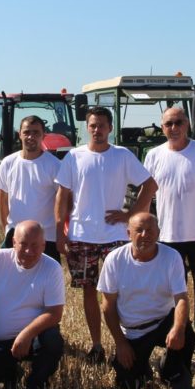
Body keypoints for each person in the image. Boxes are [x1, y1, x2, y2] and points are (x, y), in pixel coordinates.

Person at [55, 106, 157, 363]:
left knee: (121, 290)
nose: (97, 130)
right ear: (86, 128)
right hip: (81, 235)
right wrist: (60, 231)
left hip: (116, 236)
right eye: (92, 126)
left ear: (110, 128)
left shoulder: (122, 156)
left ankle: (125, 342)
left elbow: (150, 184)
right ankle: (97, 345)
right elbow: (62, 197)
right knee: (89, 290)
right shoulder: (73, 157)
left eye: (101, 125)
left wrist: (130, 215)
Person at [98, 213, 195, 389]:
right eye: (139, 230)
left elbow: (181, 298)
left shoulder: (171, 257)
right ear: (128, 233)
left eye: (150, 230)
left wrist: (178, 328)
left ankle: (173, 371)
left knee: (187, 334)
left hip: (163, 321)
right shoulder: (115, 260)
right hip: (134, 331)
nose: (145, 235)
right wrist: (120, 343)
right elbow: (108, 306)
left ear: (158, 233)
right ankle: (142, 370)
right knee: (129, 386)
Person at [0, 221, 65, 389]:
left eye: (35, 246)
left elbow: (54, 313)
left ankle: (36, 385)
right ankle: (11, 373)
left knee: (52, 340)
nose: (29, 251)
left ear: (43, 245)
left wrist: (26, 334)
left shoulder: (52, 268)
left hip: (34, 337)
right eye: (23, 244)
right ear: (13, 242)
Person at [143, 107, 195, 353]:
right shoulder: (153, 156)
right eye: (168, 123)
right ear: (162, 127)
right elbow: (147, 194)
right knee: (174, 291)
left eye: (178, 122)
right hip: (168, 236)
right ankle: (182, 333)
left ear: (187, 125)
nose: (174, 128)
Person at [0, 116, 62, 261]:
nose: (31, 136)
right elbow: (2, 199)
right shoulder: (8, 163)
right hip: (16, 234)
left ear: (43, 135)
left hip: (47, 237)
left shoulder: (55, 166)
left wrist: (60, 232)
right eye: (26, 132)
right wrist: (7, 229)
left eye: (36, 133)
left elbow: (63, 201)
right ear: (19, 134)